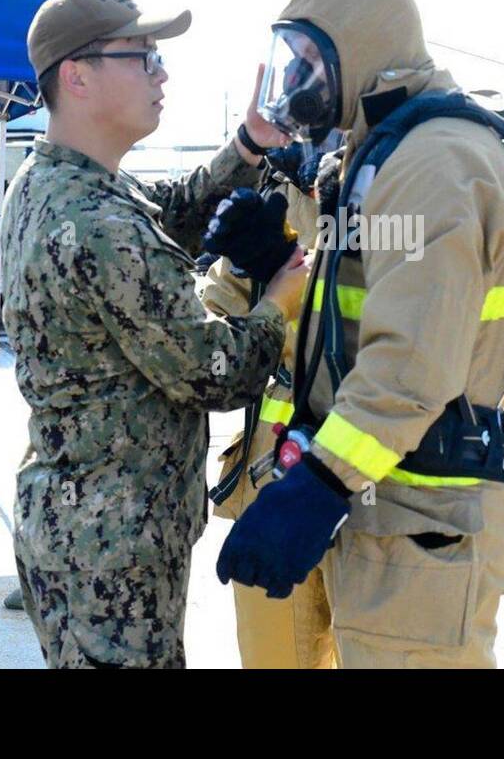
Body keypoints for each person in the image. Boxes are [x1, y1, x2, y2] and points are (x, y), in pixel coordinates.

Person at [214, 0, 504, 668]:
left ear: (363, 51)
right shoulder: (374, 155)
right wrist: (275, 263)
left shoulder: (435, 162)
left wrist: (320, 485)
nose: (297, 81)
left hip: (420, 520)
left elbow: (411, 361)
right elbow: (350, 316)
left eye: (310, 62)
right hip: (374, 506)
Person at [2, 0, 309, 669]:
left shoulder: (58, 182)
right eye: (141, 57)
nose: (161, 74)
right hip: (111, 552)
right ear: (78, 77)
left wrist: (248, 146)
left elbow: (162, 215)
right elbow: (213, 371)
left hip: (88, 528)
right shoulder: (93, 219)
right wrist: (278, 305)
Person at [200, 133, 341, 670]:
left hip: (388, 486)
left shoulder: (411, 176)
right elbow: (213, 335)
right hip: (274, 478)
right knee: (275, 657)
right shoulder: (270, 189)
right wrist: (252, 269)